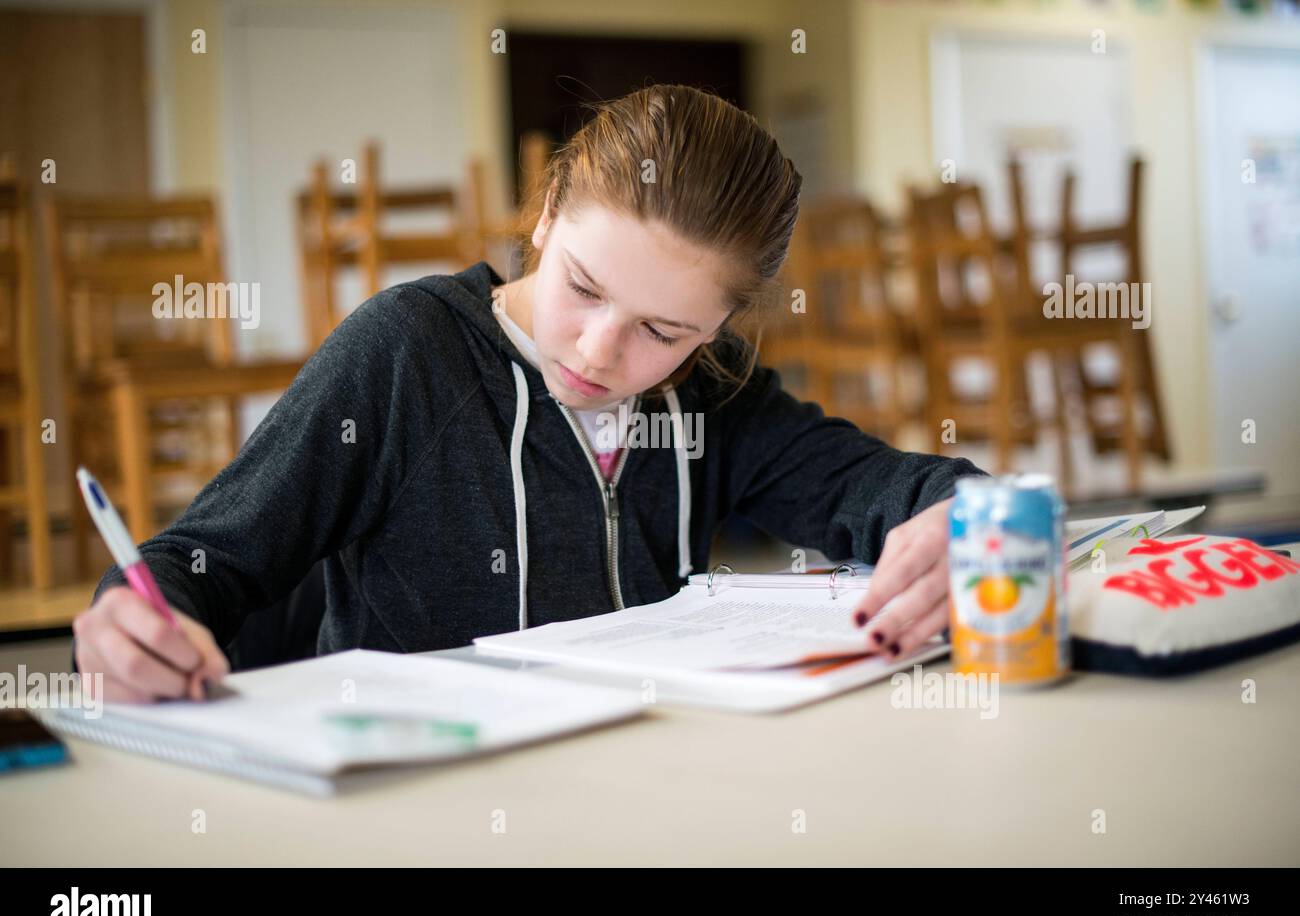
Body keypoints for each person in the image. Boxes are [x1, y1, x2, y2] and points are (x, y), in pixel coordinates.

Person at [73, 84, 986, 703]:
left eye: (662, 332)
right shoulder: (406, 352)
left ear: (714, 330)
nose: (599, 348)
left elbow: (894, 487)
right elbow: (205, 560)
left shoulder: (713, 396)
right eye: (582, 286)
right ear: (546, 216)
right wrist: (131, 623)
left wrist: (967, 525)